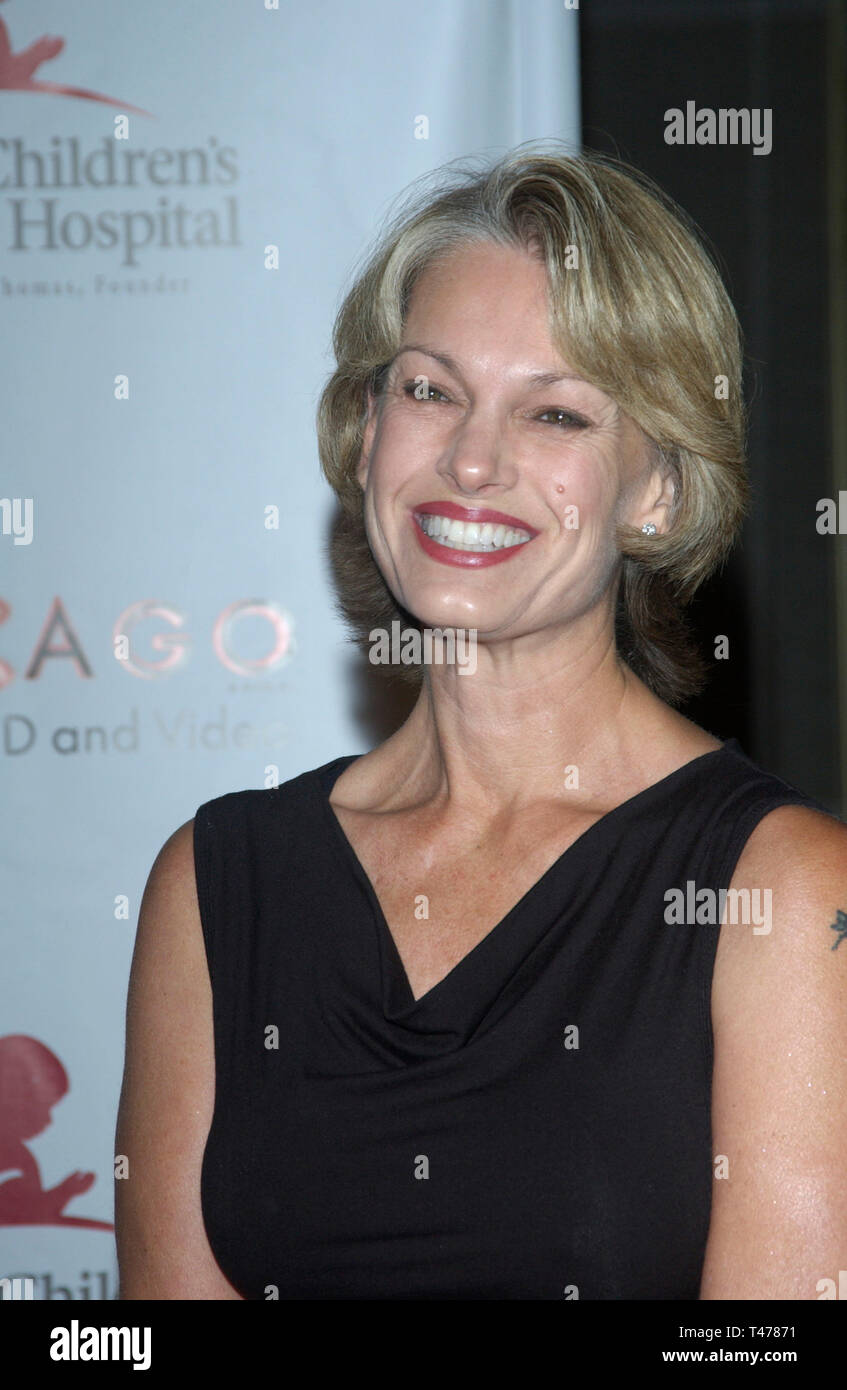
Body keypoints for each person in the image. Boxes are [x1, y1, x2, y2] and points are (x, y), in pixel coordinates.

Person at [115, 145, 847, 1300]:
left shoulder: (785, 889)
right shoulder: (216, 879)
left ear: (657, 489)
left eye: (554, 412)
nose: (469, 458)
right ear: (367, 432)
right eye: (428, 388)